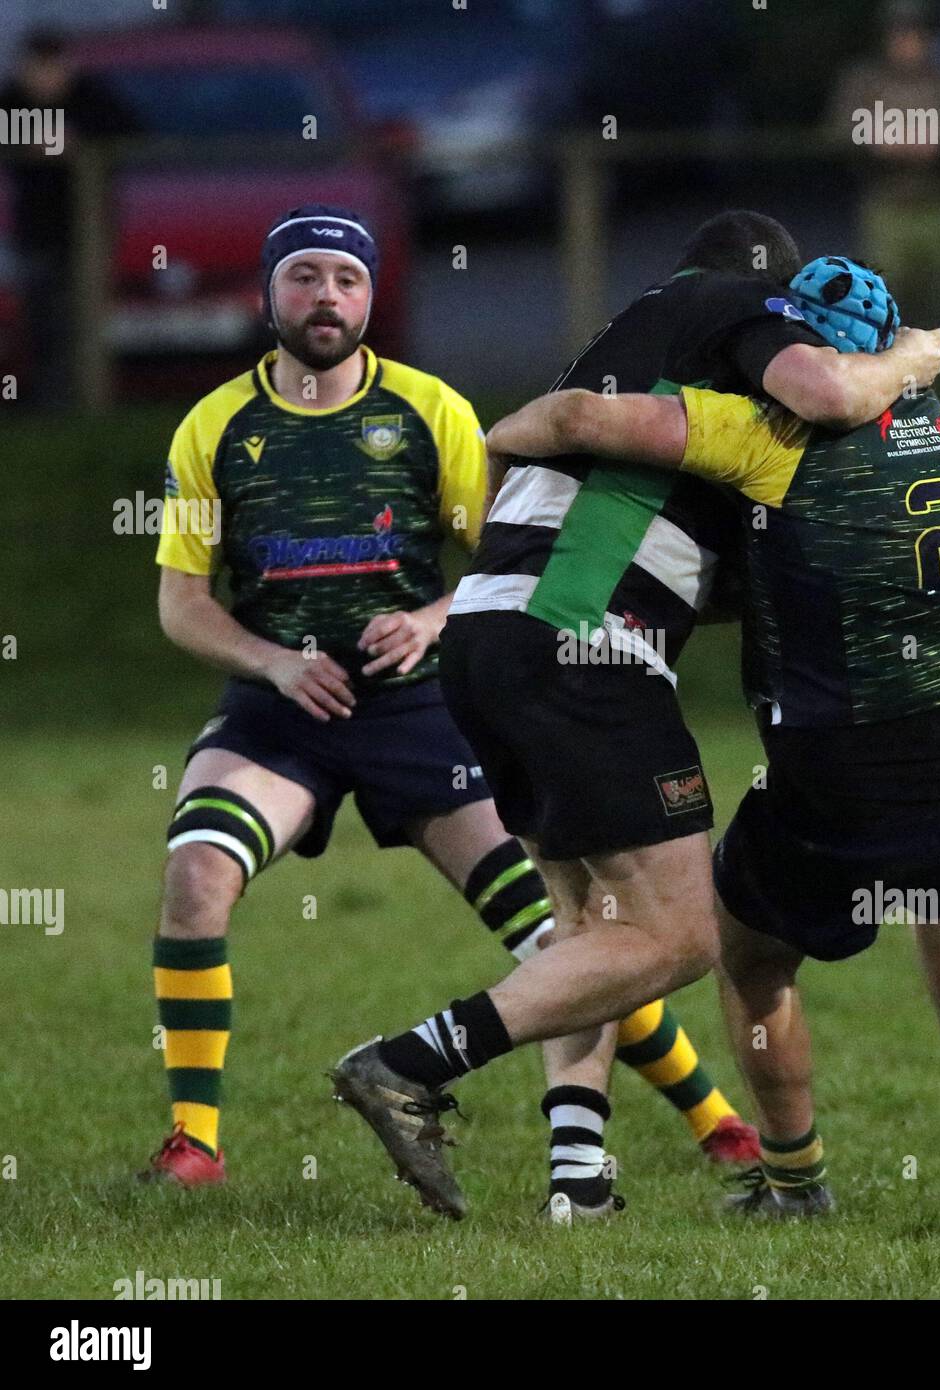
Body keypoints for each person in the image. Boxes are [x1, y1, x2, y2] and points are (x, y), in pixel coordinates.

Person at [330, 212, 940, 1222]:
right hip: (579, 642)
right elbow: (827, 388)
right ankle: (404, 1064)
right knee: (678, 935)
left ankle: (577, 1179)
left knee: (591, 928)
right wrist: (911, 359)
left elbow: (546, 468)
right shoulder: (734, 305)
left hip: (490, 632)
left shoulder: (631, 336)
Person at [141, 202, 757, 1193]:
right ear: (269, 293)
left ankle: (710, 1115)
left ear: (371, 295)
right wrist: (274, 661)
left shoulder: (428, 410)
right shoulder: (215, 426)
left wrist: (427, 623)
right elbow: (180, 602)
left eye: (345, 279)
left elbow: (509, 552)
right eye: (303, 277)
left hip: (419, 705)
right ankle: (193, 1142)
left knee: (564, 929)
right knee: (194, 876)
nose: (325, 297)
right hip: (280, 712)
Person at [484, 255, 940, 1216]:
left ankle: (795, 1184)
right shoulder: (939, 428)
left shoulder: (763, 433)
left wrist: (498, 443)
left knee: (747, 950)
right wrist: (915, 358)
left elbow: (583, 420)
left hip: (840, 744)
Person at [0, 26, 140, 403]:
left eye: (51, 68)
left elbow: (130, 130)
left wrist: (73, 141)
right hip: (35, 232)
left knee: (82, 320)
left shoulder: (90, 99)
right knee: (41, 319)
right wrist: (32, 140)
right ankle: (50, 402)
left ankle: (88, 400)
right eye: (36, 69)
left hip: (88, 232)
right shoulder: (13, 102)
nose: (44, 79)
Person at [830, 0, 940, 330]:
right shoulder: (864, 81)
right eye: (899, 33)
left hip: (936, 199)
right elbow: (838, 132)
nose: (907, 42)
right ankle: (887, 373)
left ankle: (936, 373)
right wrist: (879, 143)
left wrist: (937, 144)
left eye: (915, 33)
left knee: (936, 292)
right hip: (885, 201)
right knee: (883, 293)